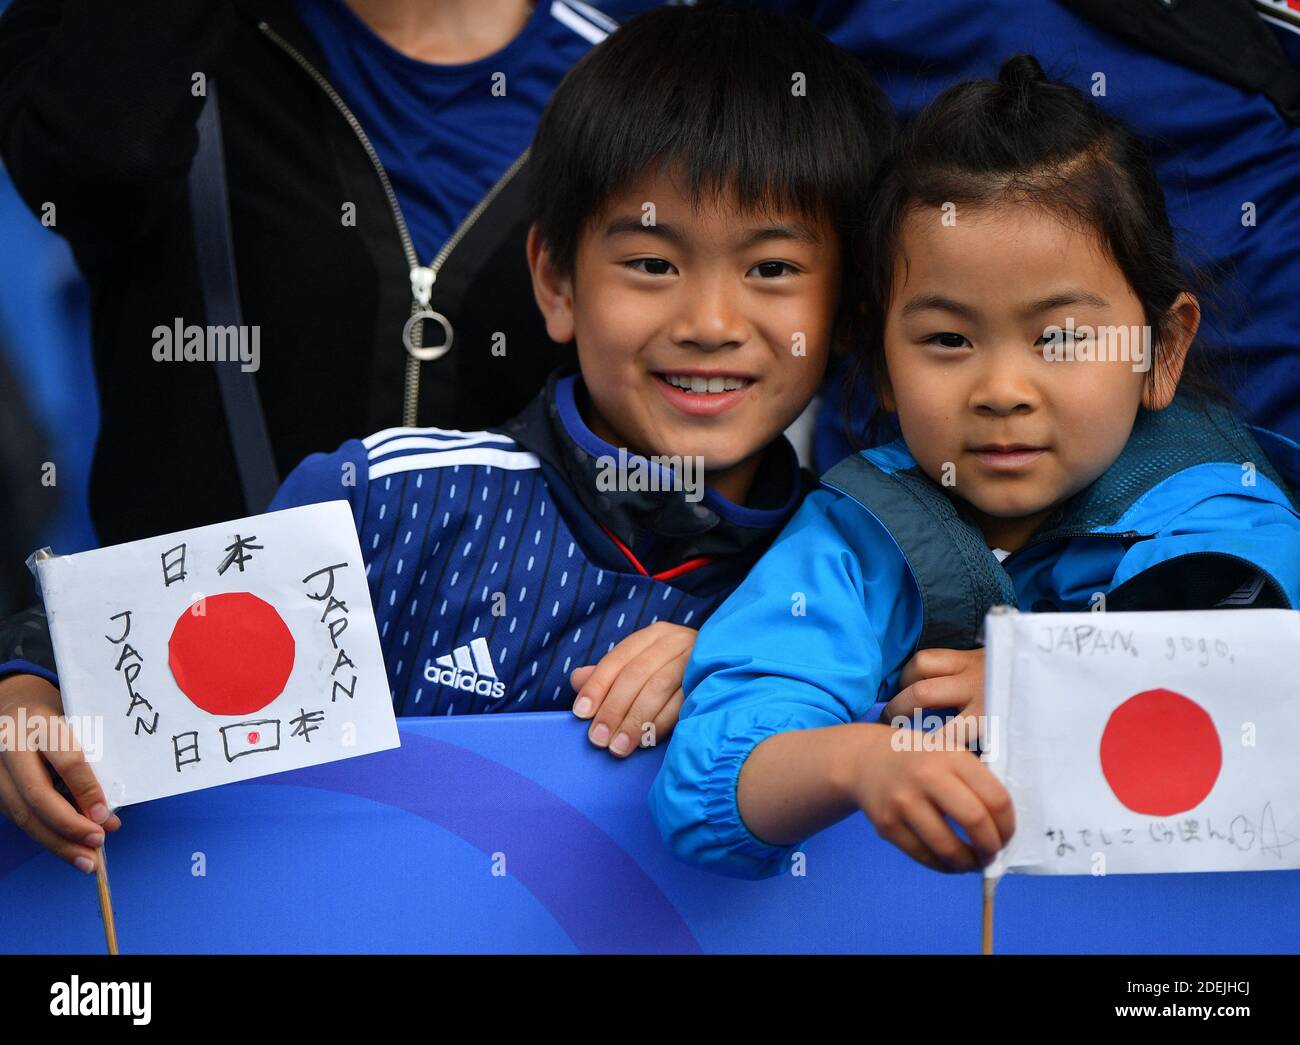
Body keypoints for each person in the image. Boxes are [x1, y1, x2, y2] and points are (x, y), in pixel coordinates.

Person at [0, 6, 894, 874]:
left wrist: (742, 659)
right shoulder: (389, 507)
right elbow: (138, 662)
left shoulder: (866, 572)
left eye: (772, 268)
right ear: (554, 281)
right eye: (653, 265)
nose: (710, 321)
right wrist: (35, 689)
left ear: (852, 310)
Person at [648, 54, 1300, 881]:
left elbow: (1259, 666)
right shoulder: (857, 538)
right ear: (880, 361)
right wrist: (860, 762)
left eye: (1061, 338)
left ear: (1161, 351)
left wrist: (1043, 687)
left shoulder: (1221, 506)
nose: (1001, 390)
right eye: (948, 340)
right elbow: (709, 788)